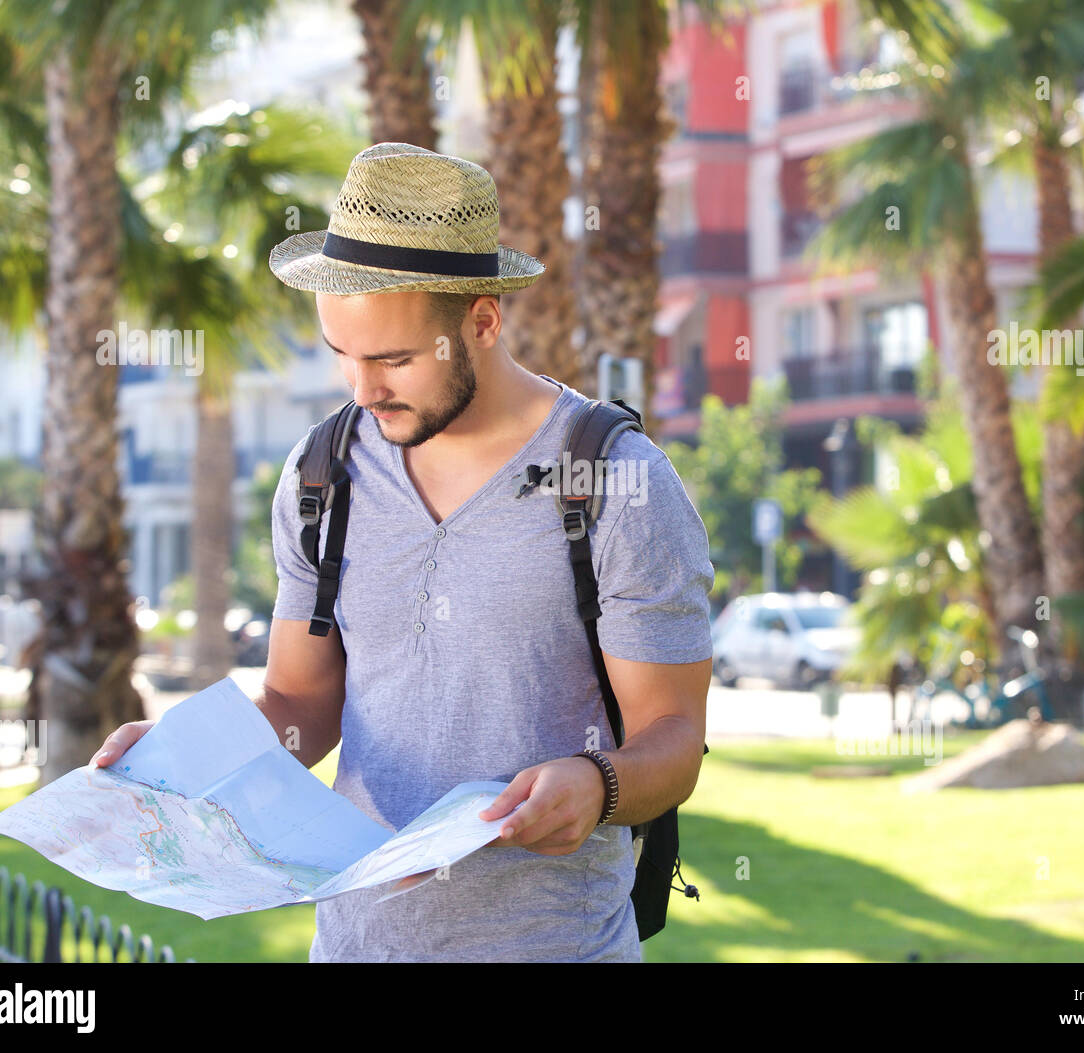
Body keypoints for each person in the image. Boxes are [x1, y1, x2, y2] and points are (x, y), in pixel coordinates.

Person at [93, 142, 715, 962]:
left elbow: (672, 739)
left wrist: (599, 787)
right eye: (342, 354)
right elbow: (298, 704)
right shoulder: (322, 475)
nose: (362, 390)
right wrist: (185, 758)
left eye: (392, 359)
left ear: (482, 321)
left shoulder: (615, 482)